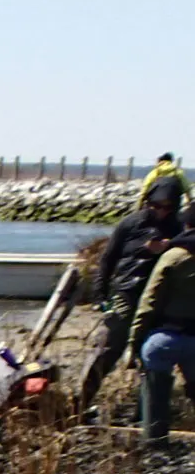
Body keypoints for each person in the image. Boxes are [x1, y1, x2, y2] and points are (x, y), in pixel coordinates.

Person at [81, 178, 186, 407]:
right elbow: (107, 259)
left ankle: (144, 411)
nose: (161, 212)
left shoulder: (178, 227)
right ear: (148, 202)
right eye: (157, 206)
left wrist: (168, 246)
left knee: (149, 354)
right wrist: (99, 295)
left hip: (159, 299)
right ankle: (81, 402)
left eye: (168, 207)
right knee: (109, 348)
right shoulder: (131, 223)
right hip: (126, 291)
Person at [127, 224, 195, 444]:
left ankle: (155, 439)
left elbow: (149, 303)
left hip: (166, 337)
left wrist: (134, 343)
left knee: (155, 389)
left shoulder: (174, 256)